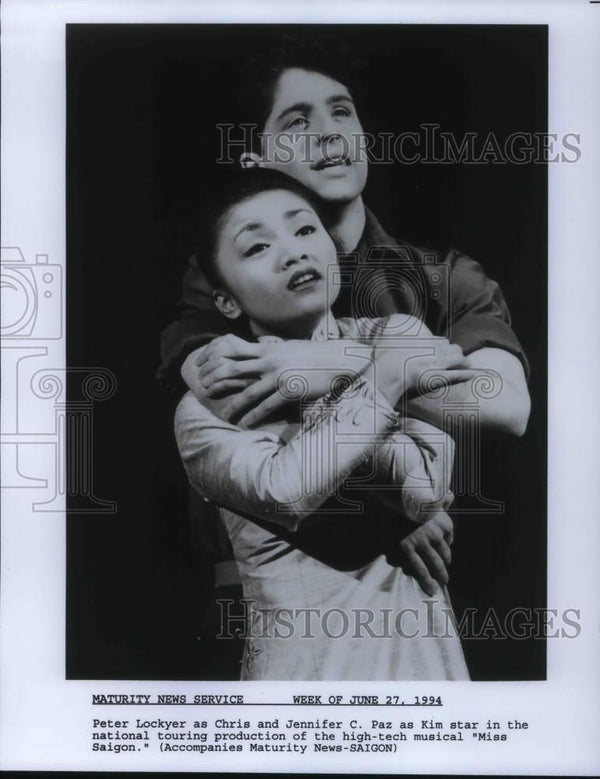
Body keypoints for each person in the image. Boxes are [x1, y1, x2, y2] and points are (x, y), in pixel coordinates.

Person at [160, 36, 530, 599]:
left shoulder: (446, 278)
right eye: (297, 122)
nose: (330, 133)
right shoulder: (219, 282)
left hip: (418, 595)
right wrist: (388, 514)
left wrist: (328, 361)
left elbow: (506, 406)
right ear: (253, 158)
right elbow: (229, 427)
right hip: (262, 596)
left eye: (341, 112)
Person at [175, 167, 475, 680]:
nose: (293, 252)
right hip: (305, 683)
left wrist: (337, 368)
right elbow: (289, 490)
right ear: (224, 299)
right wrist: (382, 380)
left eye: (305, 229)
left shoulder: (397, 332)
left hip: (429, 671)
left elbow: (427, 489)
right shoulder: (208, 404)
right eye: (256, 248)